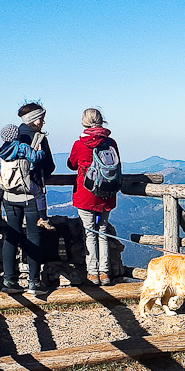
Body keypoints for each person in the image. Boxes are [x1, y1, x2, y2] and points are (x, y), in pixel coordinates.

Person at [0, 102, 56, 294]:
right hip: (31, 195)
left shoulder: (9, 140)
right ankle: (34, 283)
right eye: (42, 118)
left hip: (9, 195)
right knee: (34, 236)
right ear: (35, 119)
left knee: (11, 236)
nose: (44, 122)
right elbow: (49, 167)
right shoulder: (38, 138)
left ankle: (9, 282)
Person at [67, 107, 123, 285]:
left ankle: (92, 273)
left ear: (84, 122)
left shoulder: (79, 144)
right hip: (106, 195)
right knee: (103, 232)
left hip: (86, 195)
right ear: (101, 121)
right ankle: (105, 273)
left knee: (90, 233)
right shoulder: (111, 143)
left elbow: (71, 164)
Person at [0, 124, 55, 231]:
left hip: (7, 181)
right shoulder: (22, 147)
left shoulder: (2, 150)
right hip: (23, 180)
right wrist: (40, 152)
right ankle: (43, 218)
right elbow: (34, 158)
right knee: (40, 194)